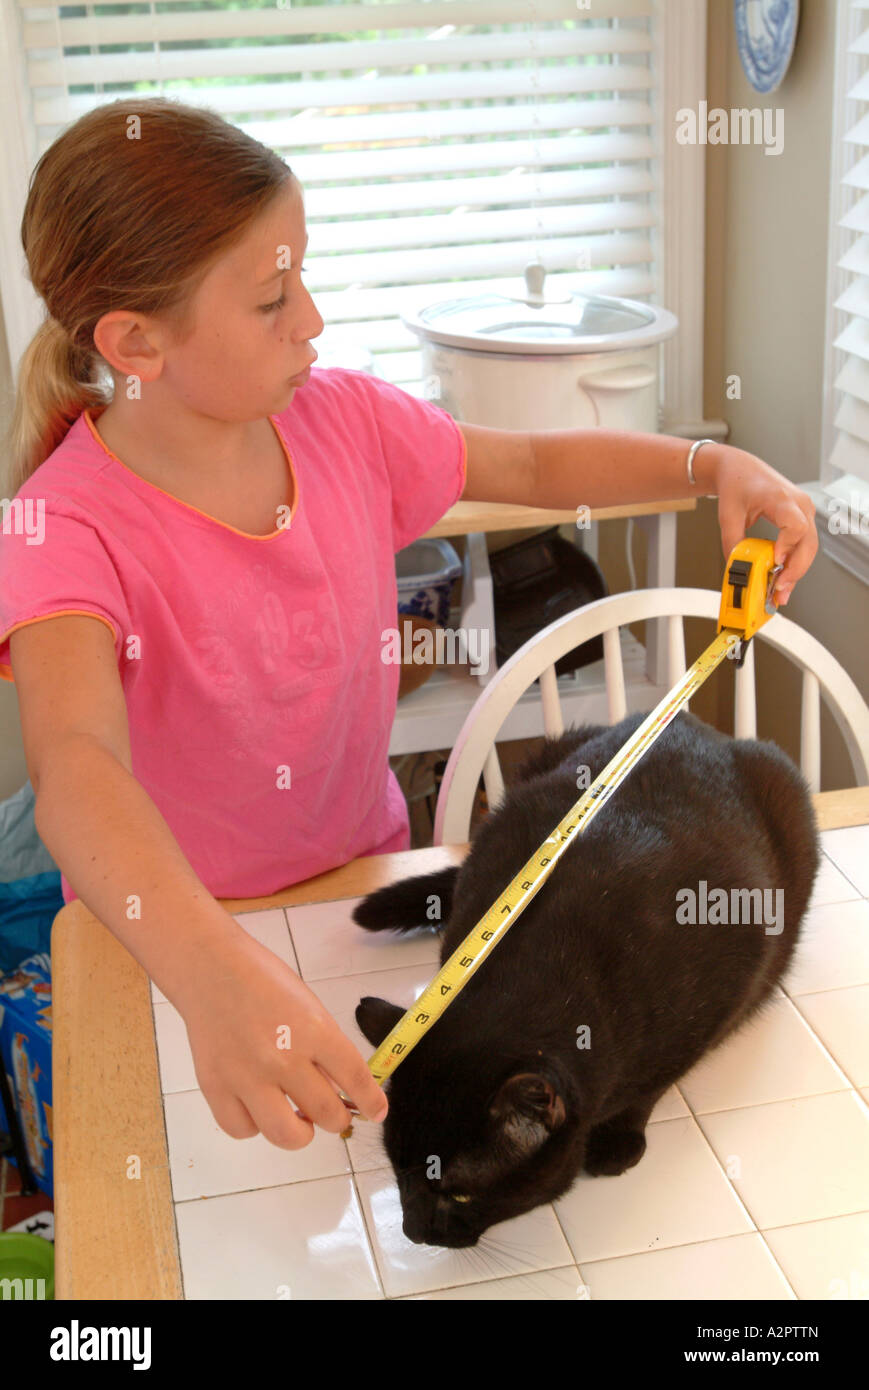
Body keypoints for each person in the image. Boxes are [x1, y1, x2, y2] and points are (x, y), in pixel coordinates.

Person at [0, 98, 818, 1153]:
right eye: (271, 298)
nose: (313, 320)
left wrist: (713, 466)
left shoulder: (342, 421)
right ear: (134, 341)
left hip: (364, 891)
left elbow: (531, 465)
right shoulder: (56, 527)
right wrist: (211, 973)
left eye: (302, 278)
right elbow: (73, 764)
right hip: (167, 942)